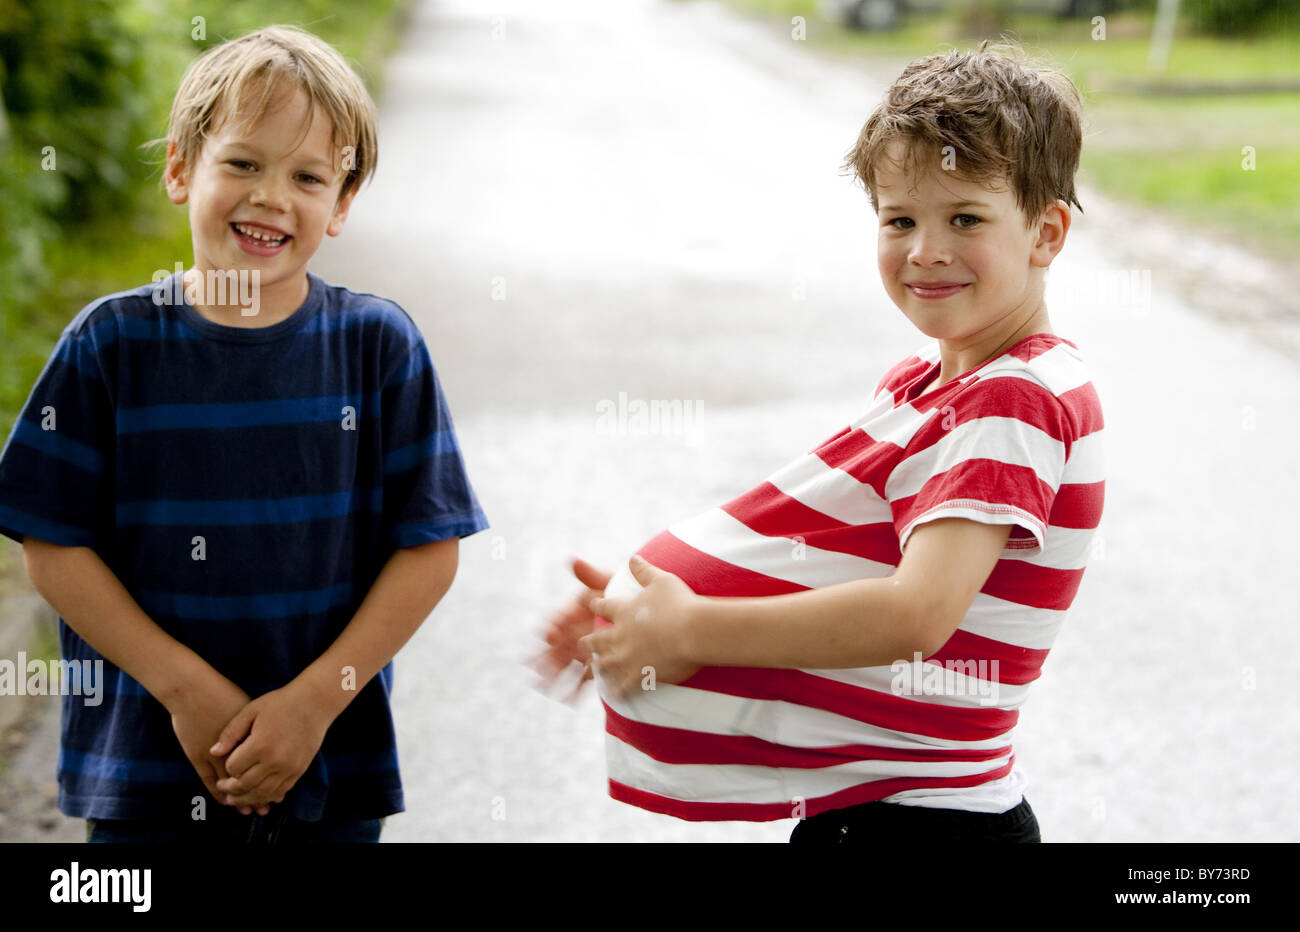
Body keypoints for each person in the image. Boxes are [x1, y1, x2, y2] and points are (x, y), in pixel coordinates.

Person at [536, 41, 1104, 843]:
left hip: (925, 822)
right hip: (872, 809)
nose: (925, 251)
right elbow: (827, 558)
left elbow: (916, 615)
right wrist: (635, 616)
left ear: (1046, 233)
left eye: (965, 219)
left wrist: (692, 628)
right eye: (899, 219)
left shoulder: (1012, 399)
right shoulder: (927, 382)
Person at [0, 25, 489, 843]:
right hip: (145, 776)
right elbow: (52, 543)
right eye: (242, 163)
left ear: (340, 205)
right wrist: (187, 691)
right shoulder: (108, 346)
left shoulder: (378, 346)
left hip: (329, 766)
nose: (271, 196)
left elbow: (430, 546)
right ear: (180, 169)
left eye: (306, 176)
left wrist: (310, 705)